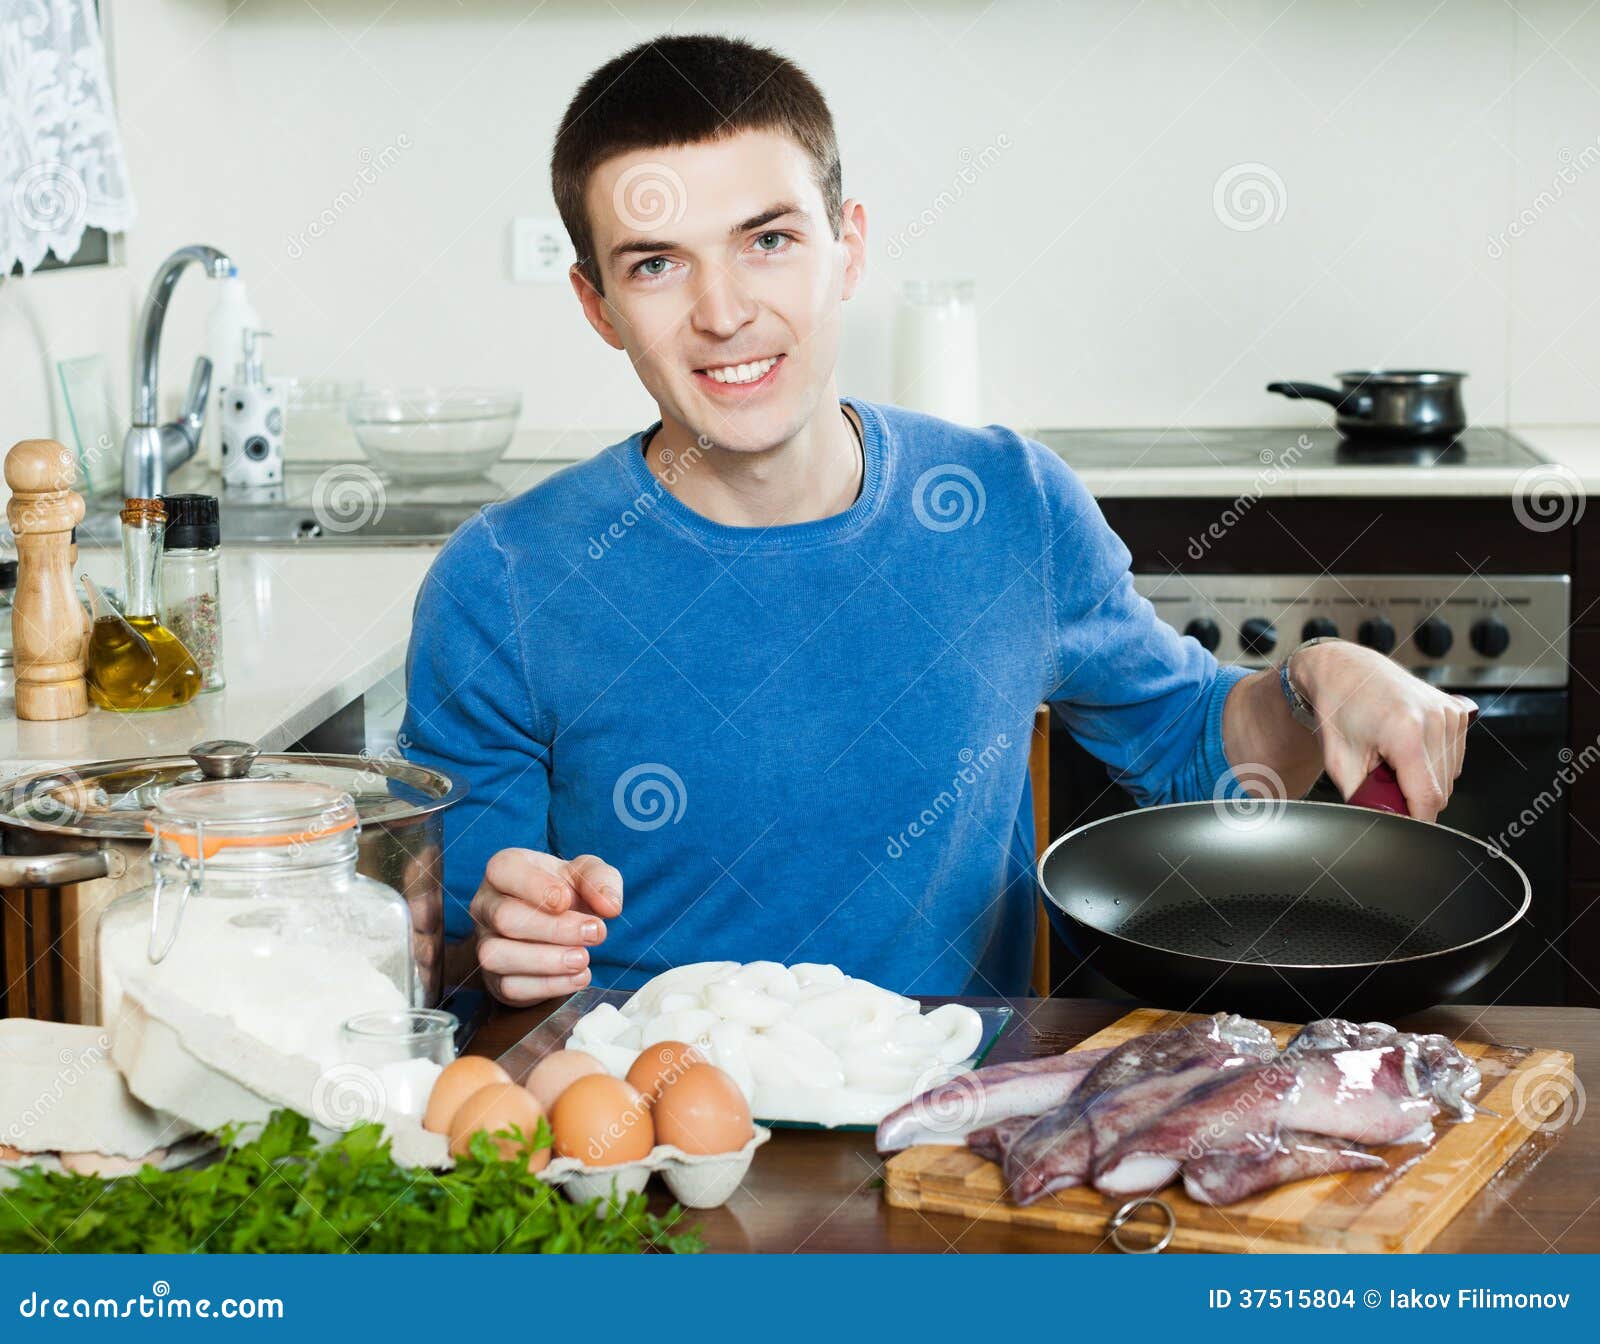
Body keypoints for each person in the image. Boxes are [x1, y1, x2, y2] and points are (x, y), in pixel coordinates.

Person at [402, 34, 1471, 1007]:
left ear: (847, 248)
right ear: (597, 305)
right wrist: (498, 939)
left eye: (767, 239)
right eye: (655, 263)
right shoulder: (501, 580)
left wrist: (1319, 675)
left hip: (948, 1142)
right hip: (645, 1159)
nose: (723, 312)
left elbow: (1199, 751)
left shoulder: (1010, 505)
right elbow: (453, 965)